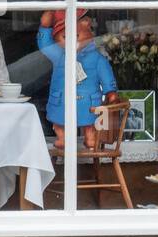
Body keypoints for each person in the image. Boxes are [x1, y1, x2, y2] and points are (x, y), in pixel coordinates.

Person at [37, 8, 117, 150]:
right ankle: (63, 137)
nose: (71, 41)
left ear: (86, 25)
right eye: (65, 37)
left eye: (76, 35)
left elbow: (105, 74)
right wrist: (44, 28)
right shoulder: (59, 55)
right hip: (63, 101)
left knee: (90, 121)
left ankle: (90, 136)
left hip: (87, 102)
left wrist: (110, 91)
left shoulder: (96, 57)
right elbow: (45, 45)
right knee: (60, 120)